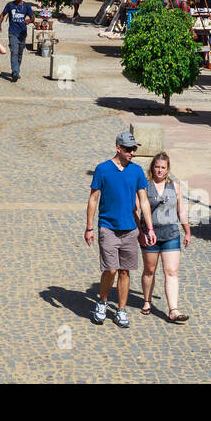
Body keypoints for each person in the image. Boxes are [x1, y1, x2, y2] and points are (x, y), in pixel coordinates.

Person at [84, 130, 156, 327]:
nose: (132, 152)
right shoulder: (102, 169)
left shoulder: (137, 171)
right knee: (111, 269)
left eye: (133, 149)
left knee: (125, 271)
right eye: (128, 149)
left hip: (130, 229)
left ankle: (121, 310)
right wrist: (89, 228)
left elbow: (143, 201)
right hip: (107, 227)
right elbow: (93, 199)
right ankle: (102, 301)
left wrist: (149, 229)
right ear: (118, 148)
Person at [139, 153, 190, 323]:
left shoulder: (174, 187)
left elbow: (180, 210)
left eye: (163, 167)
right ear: (152, 167)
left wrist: (187, 231)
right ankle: (147, 301)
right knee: (149, 270)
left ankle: (173, 310)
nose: (159, 170)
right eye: (157, 167)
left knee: (171, 271)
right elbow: (136, 210)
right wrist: (141, 232)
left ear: (168, 169)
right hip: (150, 235)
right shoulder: (144, 186)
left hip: (171, 235)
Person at [0, 0, 35, 82]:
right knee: (14, 52)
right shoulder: (10, 5)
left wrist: (29, 21)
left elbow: (33, 17)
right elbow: (2, 14)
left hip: (22, 33)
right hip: (12, 32)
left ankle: (17, 70)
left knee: (20, 53)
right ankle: (15, 72)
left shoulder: (26, 6)